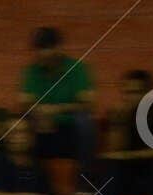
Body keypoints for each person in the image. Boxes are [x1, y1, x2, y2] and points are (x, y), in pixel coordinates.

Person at [91, 70, 153, 195]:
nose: (131, 97)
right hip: (126, 177)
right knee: (108, 165)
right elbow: (114, 150)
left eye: (136, 92)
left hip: (151, 175)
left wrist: (130, 156)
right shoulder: (119, 112)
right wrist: (121, 121)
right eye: (127, 92)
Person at [18, 26, 96, 173]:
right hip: (42, 125)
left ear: (59, 48)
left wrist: (55, 110)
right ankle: (30, 178)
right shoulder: (31, 71)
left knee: (84, 121)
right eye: (38, 49)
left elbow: (87, 104)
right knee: (23, 122)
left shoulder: (77, 68)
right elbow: (25, 103)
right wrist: (39, 113)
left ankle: (85, 178)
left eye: (45, 48)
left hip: (69, 126)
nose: (40, 54)